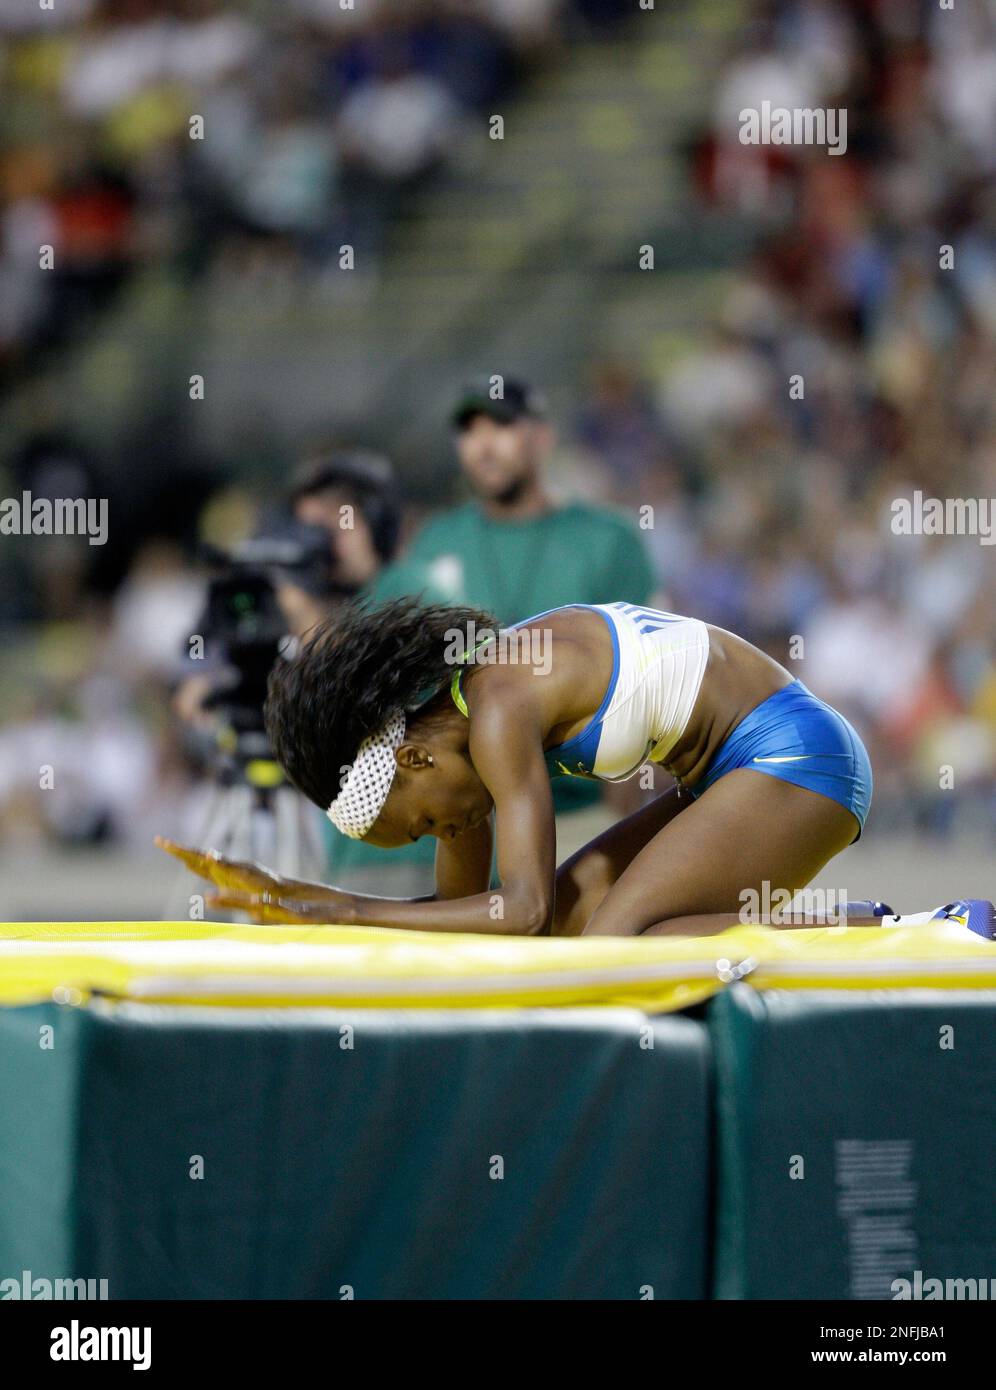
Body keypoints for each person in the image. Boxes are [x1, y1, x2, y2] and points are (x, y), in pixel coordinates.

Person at [158, 596, 995, 939]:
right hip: (743, 768)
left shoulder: (496, 714)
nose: (447, 832)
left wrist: (333, 907)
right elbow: (472, 920)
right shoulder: (461, 737)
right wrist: (285, 899)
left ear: (410, 755)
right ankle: (860, 924)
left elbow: (512, 909)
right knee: (578, 929)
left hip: (798, 758)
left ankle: (918, 932)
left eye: (423, 821)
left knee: (613, 945)